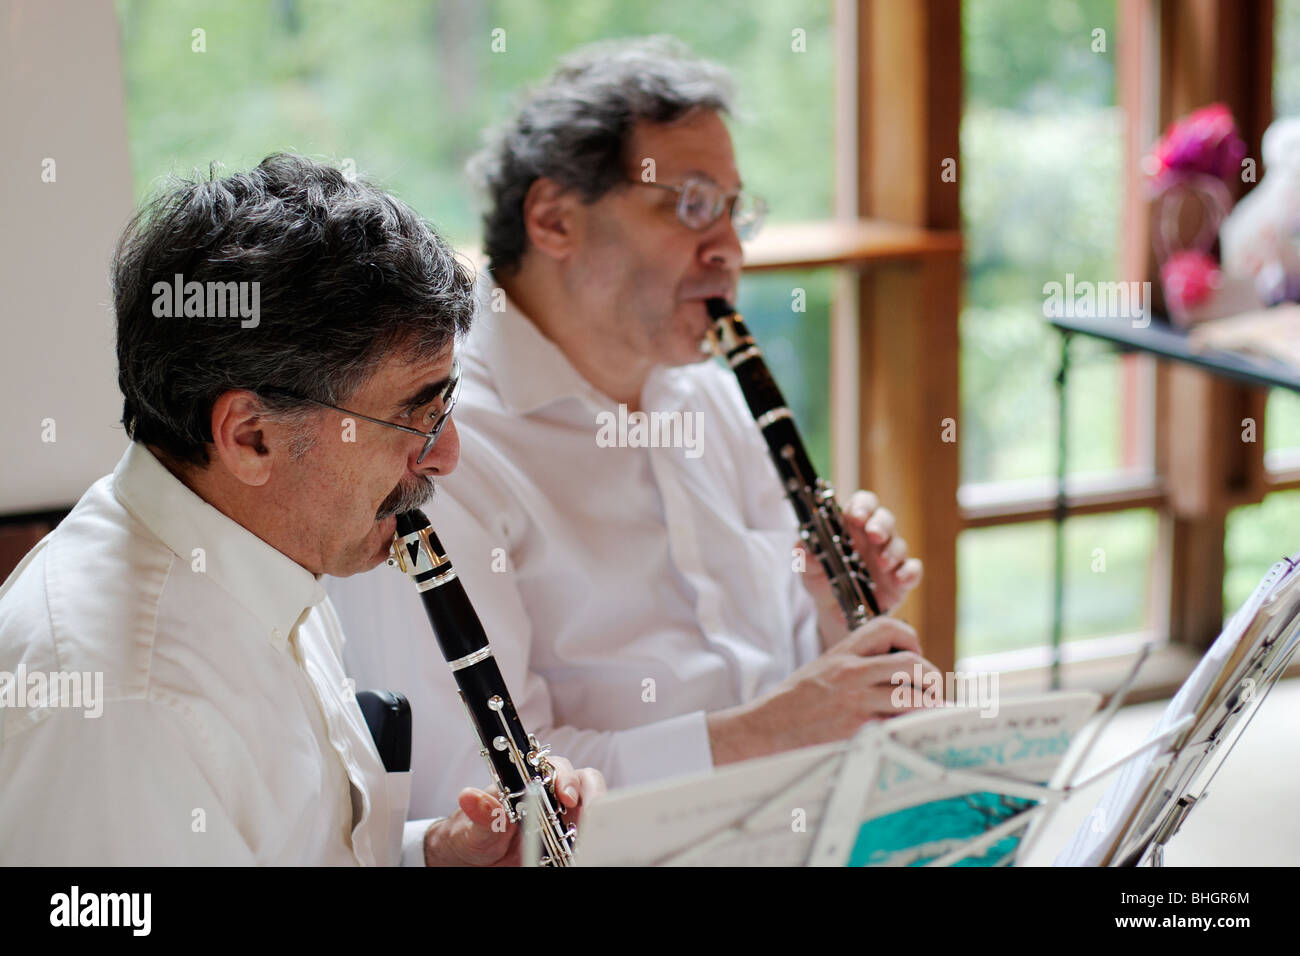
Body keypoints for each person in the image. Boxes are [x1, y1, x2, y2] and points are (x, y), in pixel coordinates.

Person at [327, 37, 941, 819]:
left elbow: (781, 672)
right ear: (553, 220)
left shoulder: (712, 398)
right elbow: (475, 795)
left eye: (733, 211)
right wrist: (775, 730)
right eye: (689, 206)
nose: (727, 249)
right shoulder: (436, 450)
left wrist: (830, 617)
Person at [0, 153, 603, 865]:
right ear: (252, 437)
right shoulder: (122, 708)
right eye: (418, 417)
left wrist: (436, 855)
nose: (448, 456)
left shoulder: (258, 541)